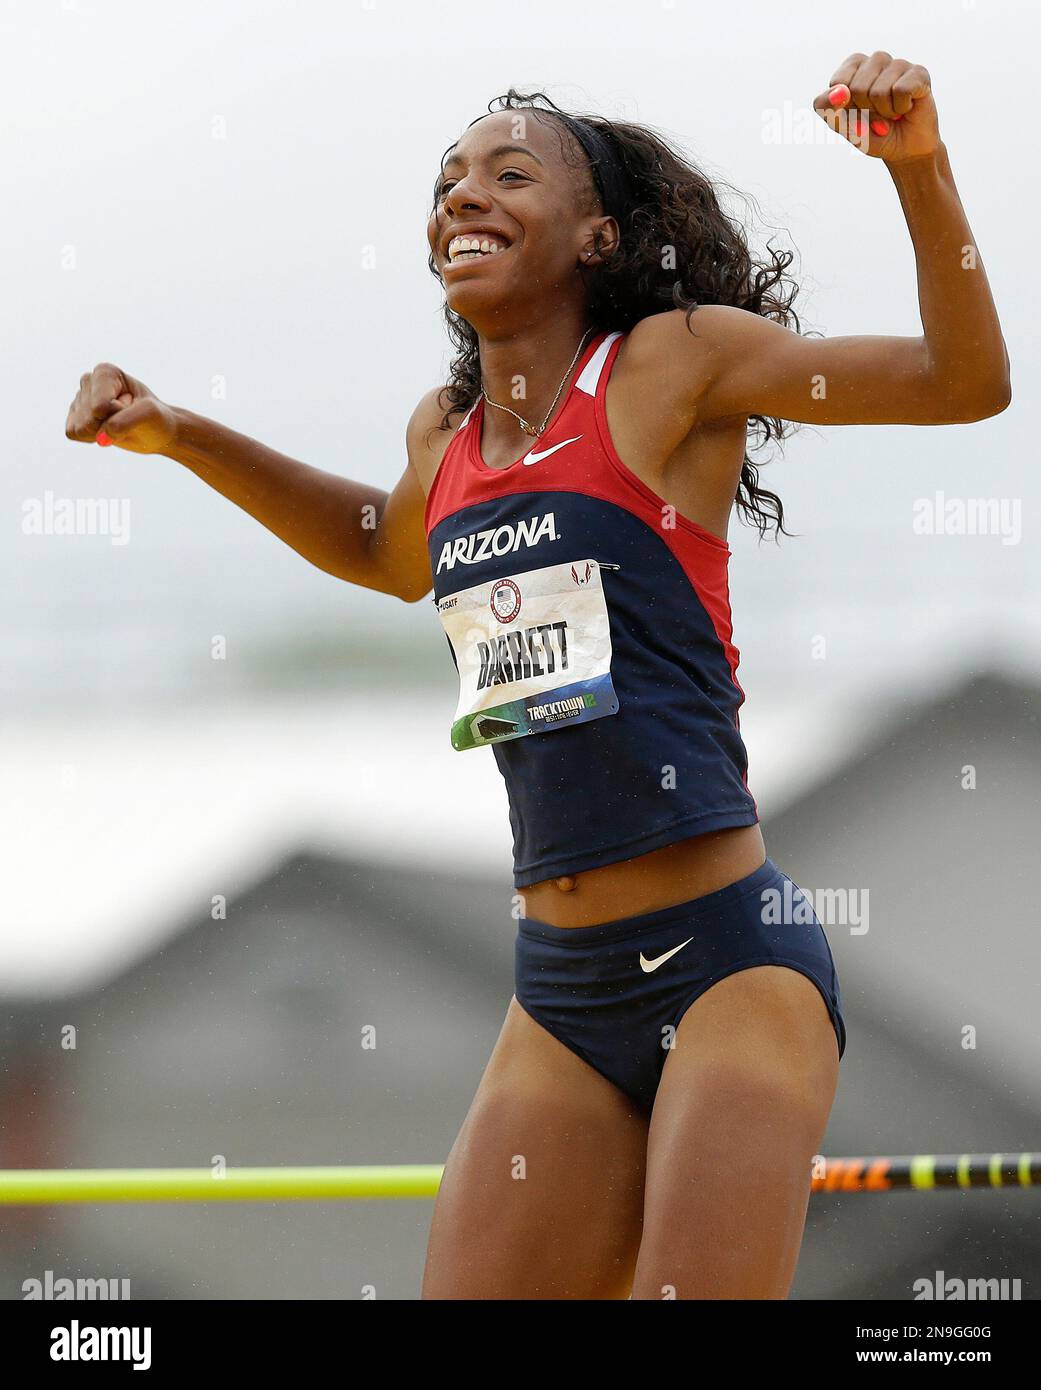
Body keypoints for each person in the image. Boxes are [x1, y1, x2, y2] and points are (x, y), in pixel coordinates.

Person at [65, 54, 1010, 1300]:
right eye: (449, 179)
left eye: (511, 173)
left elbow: (966, 384)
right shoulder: (443, 437)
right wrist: (181, 433)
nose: (465, 194)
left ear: (598, 233)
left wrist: (920, 169)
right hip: (560, 991)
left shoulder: (670, 365)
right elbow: (378, 549)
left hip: (727, 961)